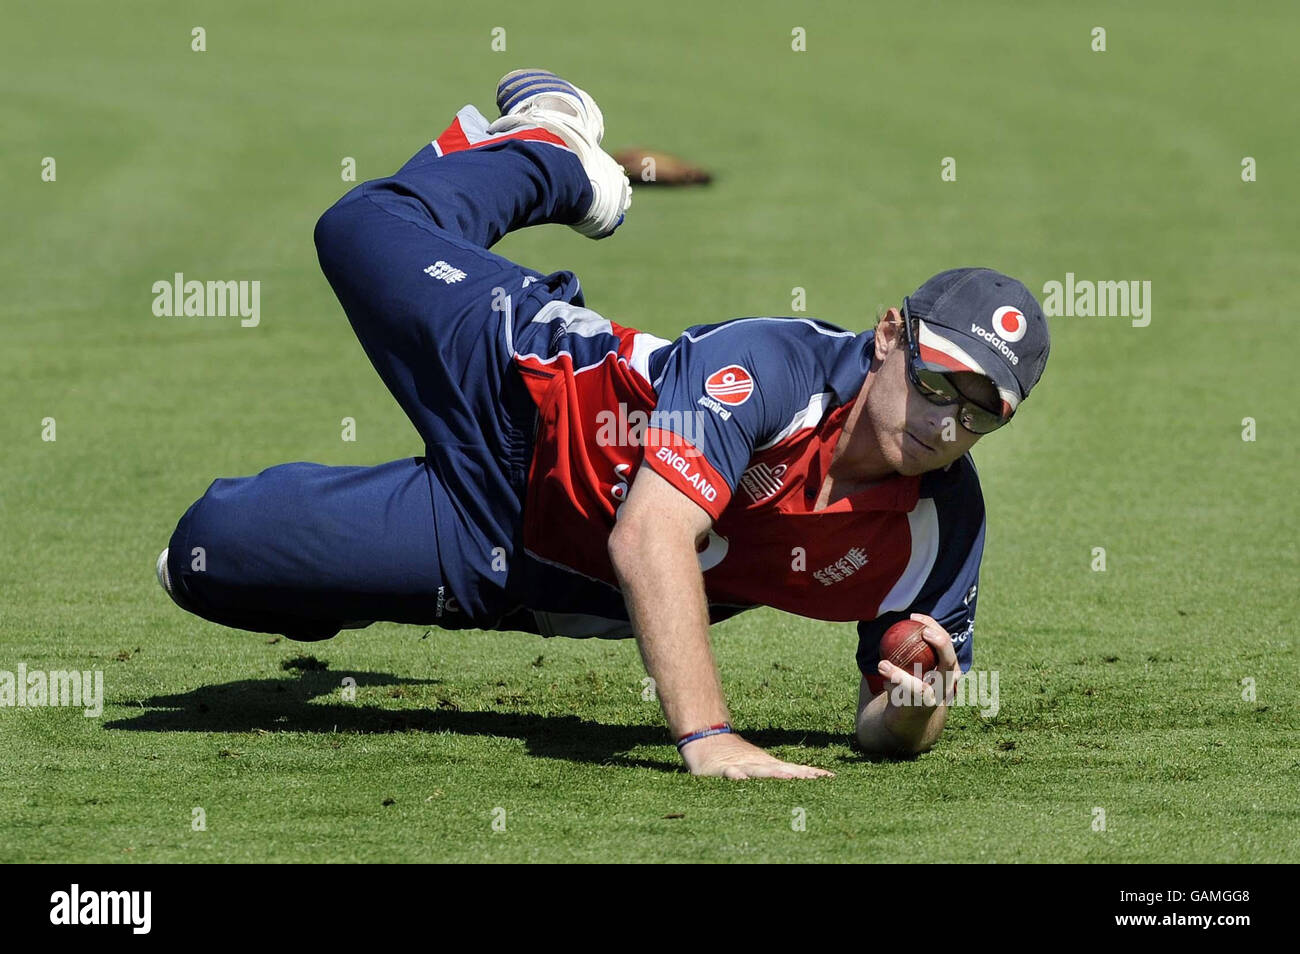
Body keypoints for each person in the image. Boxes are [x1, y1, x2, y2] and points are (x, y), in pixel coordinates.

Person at [157, 69, 1050, 780]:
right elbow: (650, 535)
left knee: (203, 559)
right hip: (515, 376)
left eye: (980, 414)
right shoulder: (775, 366)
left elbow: (886, 729)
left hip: (510, 559)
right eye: (939, 384)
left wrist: (913, 703)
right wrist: (707, 736)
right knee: (355, 227)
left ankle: (319, 576)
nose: (946, 424)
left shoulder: (942, 527)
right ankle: (550, 152)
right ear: (891, 335)